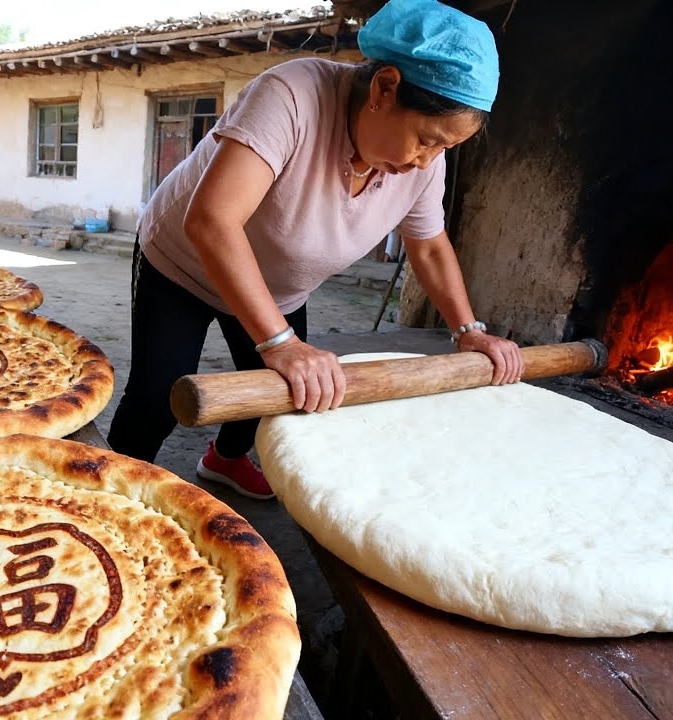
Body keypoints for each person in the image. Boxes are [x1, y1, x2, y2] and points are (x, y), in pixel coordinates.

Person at [107, 0, 524, 499]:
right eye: (426, 140)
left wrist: (468, 330)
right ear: (385, 87)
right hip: (182, 265)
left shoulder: (424, 163)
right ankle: (108, 492)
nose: (426, 161)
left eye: (444, 150)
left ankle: (224, 459)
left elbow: (430, 245)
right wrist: (280, 343)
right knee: (156, 396)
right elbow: (213, 220)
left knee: (285, 393)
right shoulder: (291, 95)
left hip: (277, 286)